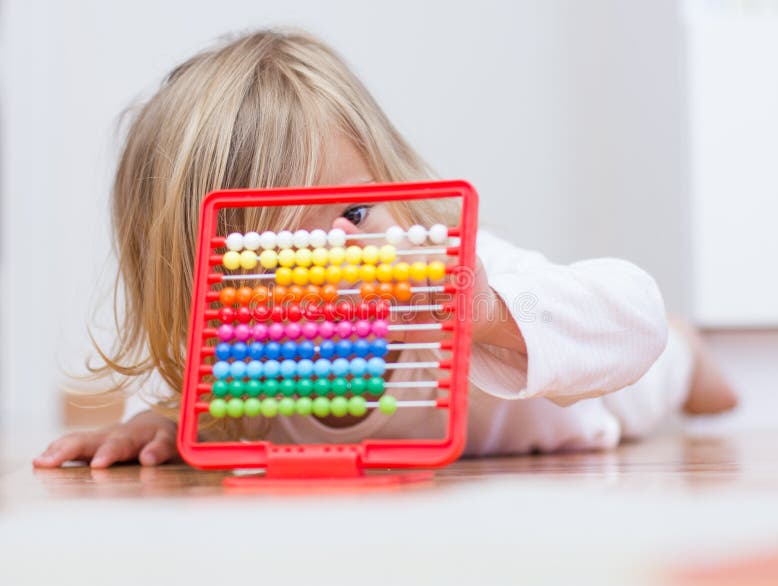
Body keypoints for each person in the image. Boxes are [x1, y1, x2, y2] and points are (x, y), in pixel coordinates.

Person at [33, 30, 736, 469]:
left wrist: (489, 314)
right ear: (208, 285)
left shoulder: (456, 279)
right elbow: (190, 403)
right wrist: (155, 425)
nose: (337, 257)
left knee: (658, 368)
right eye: (275, 250)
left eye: (356, 212)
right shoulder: (241, 375)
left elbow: (631, 318)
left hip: (581, 402)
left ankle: (693, 355)